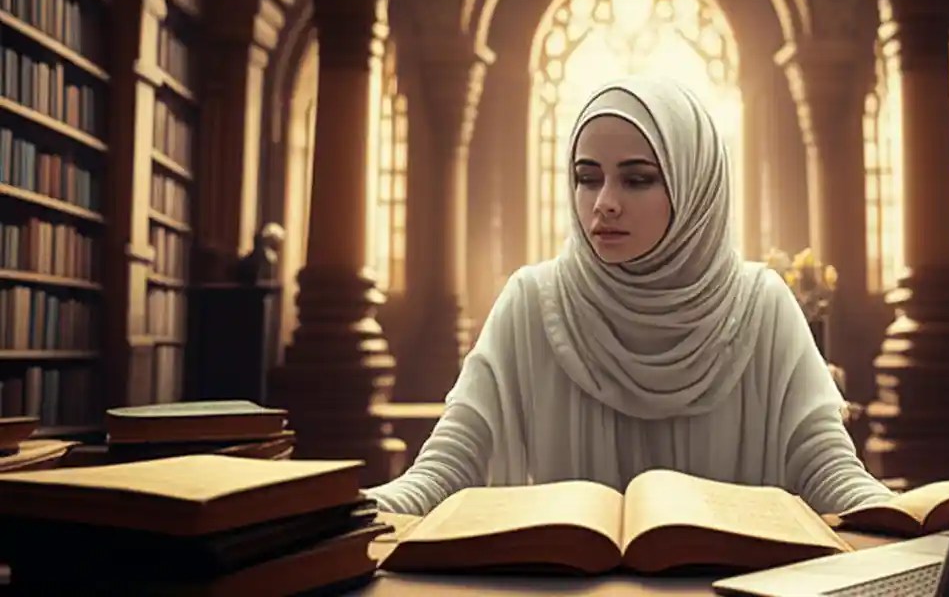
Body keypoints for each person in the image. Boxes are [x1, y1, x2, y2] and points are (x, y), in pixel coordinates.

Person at [364, 74, 895, 516]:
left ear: (694, 186)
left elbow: (829, 471)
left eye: (637, 179)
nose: (604, 203)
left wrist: (915, 522)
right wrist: (344, 514)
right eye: (586, 178)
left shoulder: (761, 306)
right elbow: (445, 469)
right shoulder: (532, 302)